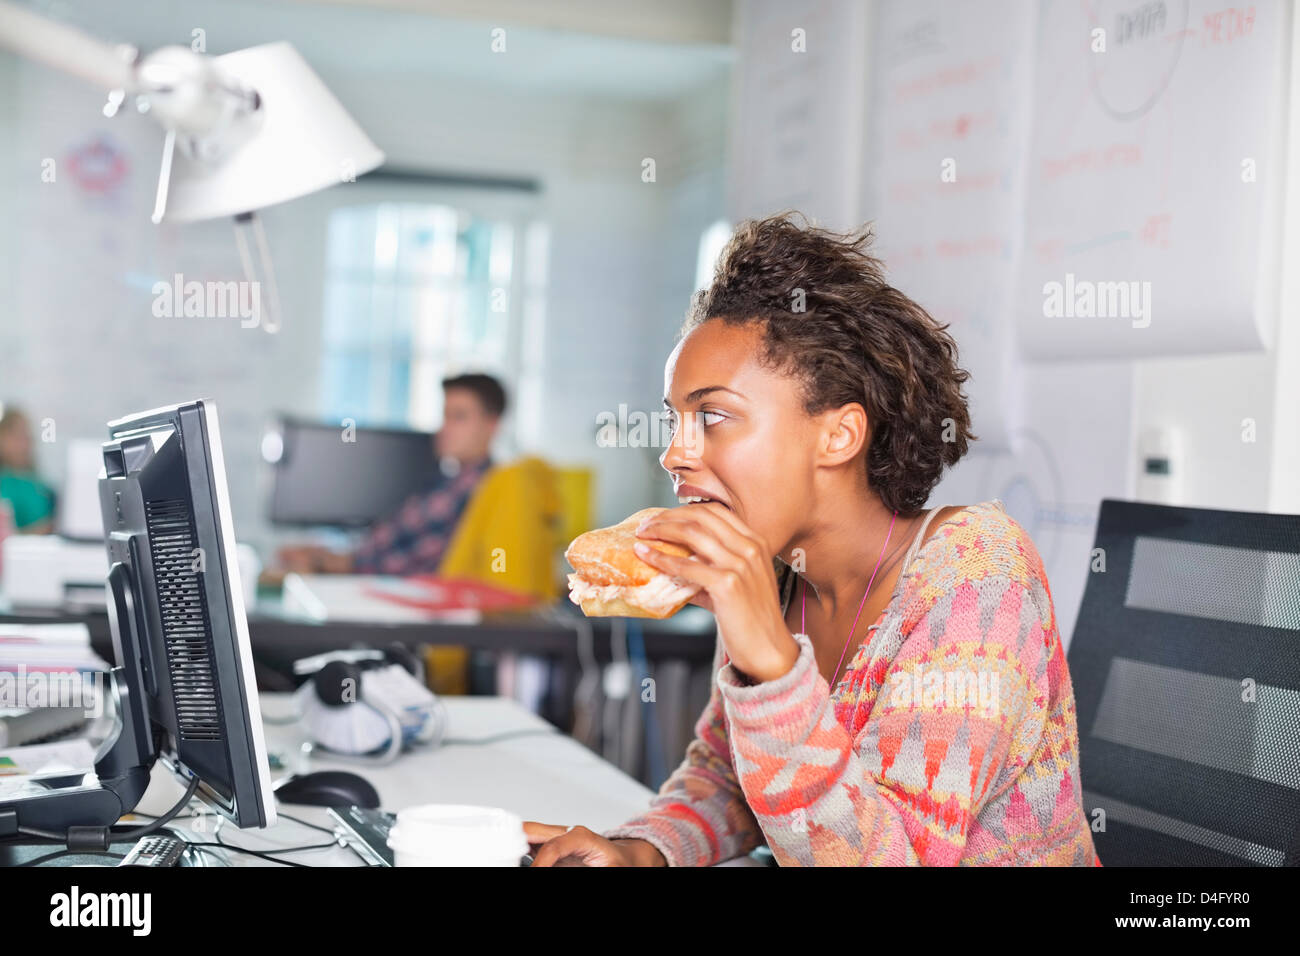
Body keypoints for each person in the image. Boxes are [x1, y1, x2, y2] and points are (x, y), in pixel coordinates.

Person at [524, 212, 1100, 867]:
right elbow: (732, 779)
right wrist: (638, 851)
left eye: (711, 416)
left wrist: (772, 662)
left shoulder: (977, 578)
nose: (674, 456)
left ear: (839, 436)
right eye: (675, 420)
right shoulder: (775, 573)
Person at [277, 373, 506, 576]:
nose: (444, 428)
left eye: (459, 417)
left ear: (491, 425)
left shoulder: (476, 491)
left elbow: (403, 565)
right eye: (444, 416)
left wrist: (327, 563)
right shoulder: (447, 482)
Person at [0, 405, 56, 533]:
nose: (25, 442)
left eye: (27, 435)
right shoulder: (4, 483)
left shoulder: (38, 482)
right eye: (16, 437)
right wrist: (44, 530)